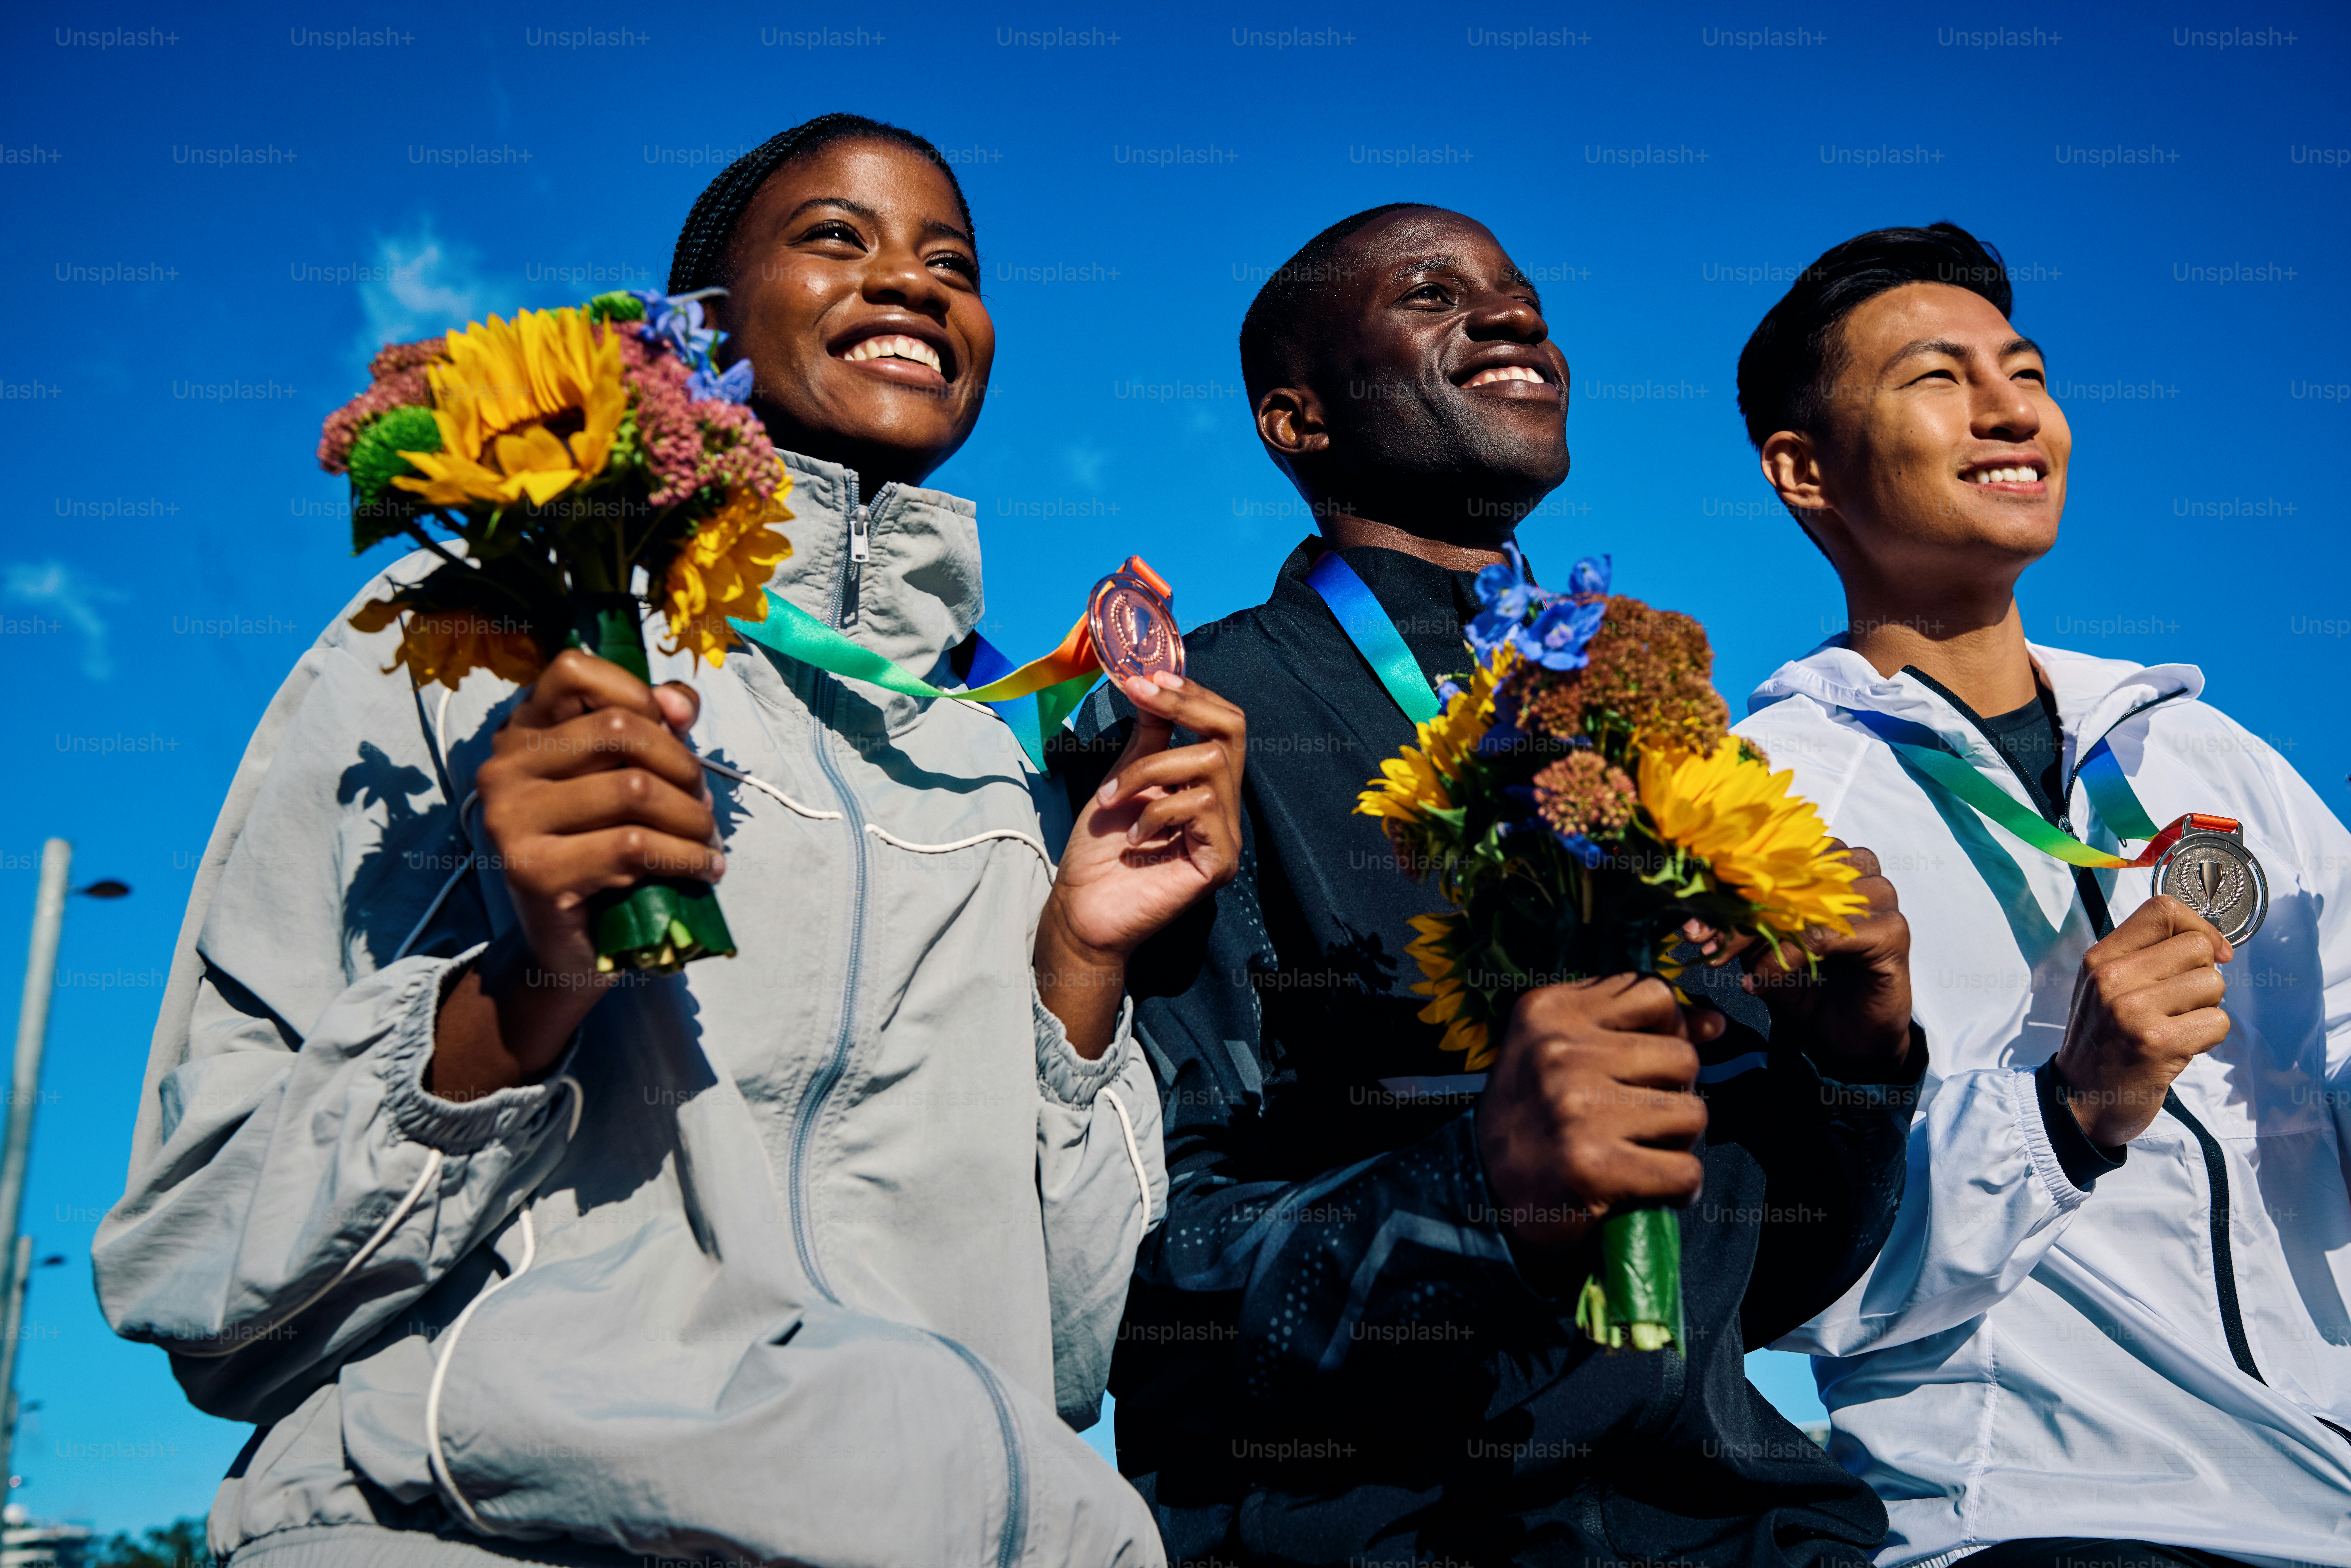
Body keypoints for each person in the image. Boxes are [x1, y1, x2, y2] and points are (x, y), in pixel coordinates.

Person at [95, 114, 1245, 1568]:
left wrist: (1079, 962)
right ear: (692, 328)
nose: (912, 282)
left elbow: (1067, 1356)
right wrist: (531, 987)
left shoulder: (996, 769)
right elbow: (208, 1280)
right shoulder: (471, 636)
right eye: (836, 237)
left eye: (952, 263)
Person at [1058, 203, 1926, 1566]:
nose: (1517, 317)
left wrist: (1850, 1065)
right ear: (1296, 420)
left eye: (1523, 296)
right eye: (1429, 295)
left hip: (1748, 1529)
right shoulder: (1193, 726)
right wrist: (1479, 1194)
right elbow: (1140, 1298)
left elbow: (1749, 1290)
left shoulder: (1650, 733)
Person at [1730, 222, 2351, 1568]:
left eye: (2024, 372)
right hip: (2040, 1523)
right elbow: (1776, 1274)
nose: (2011, 409)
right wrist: (2065, 1112)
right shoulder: (1757, 803)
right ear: (1802, 470)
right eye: (1936, 378)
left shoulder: (2208, 751)